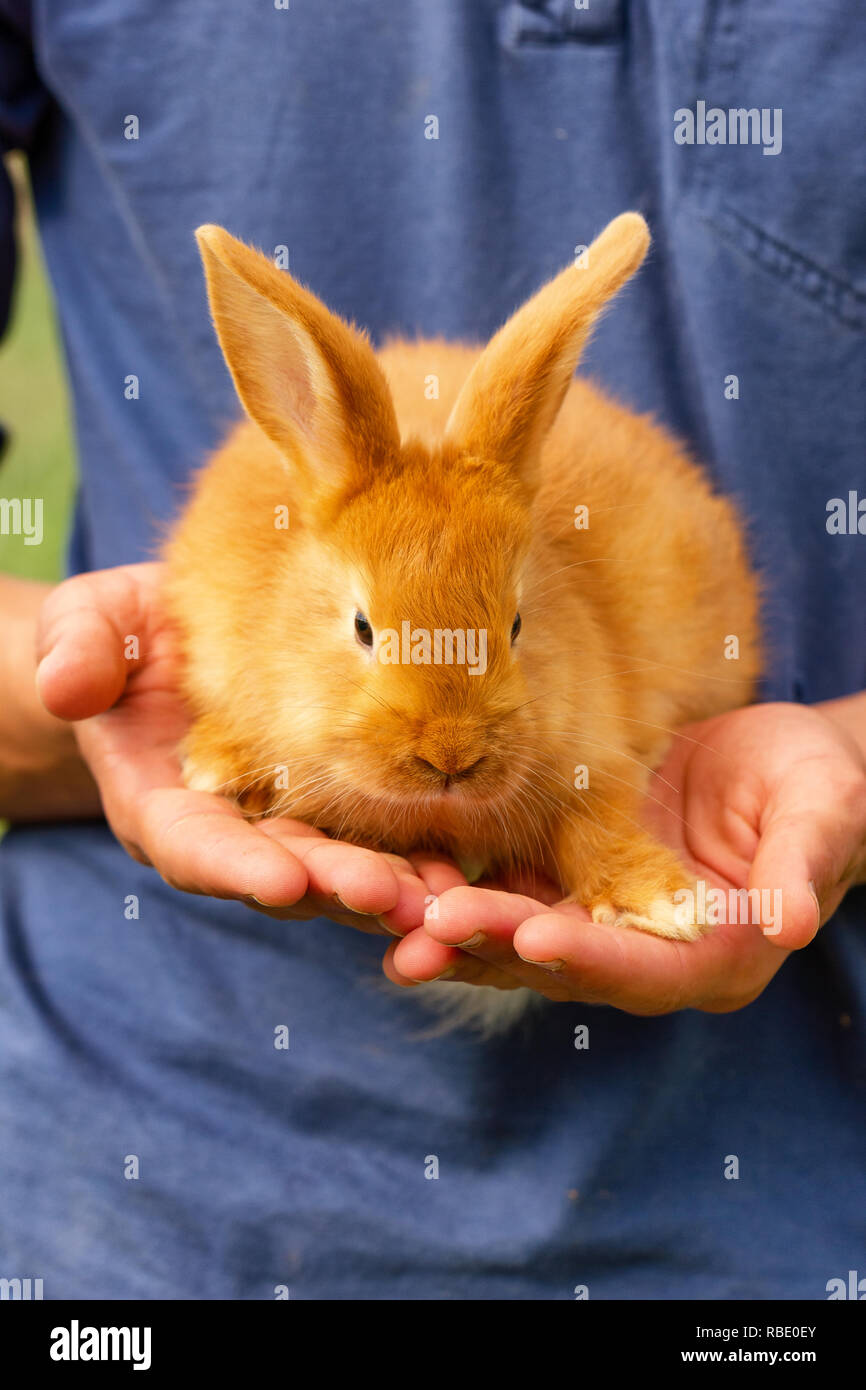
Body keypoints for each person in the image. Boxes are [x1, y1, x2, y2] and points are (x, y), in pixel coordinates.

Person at [1, 0, 864, 1300]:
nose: (448, 736)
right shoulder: (250, 570)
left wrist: (843, 756)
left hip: (786, 1216)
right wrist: (87, 706)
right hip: (151, 1210)